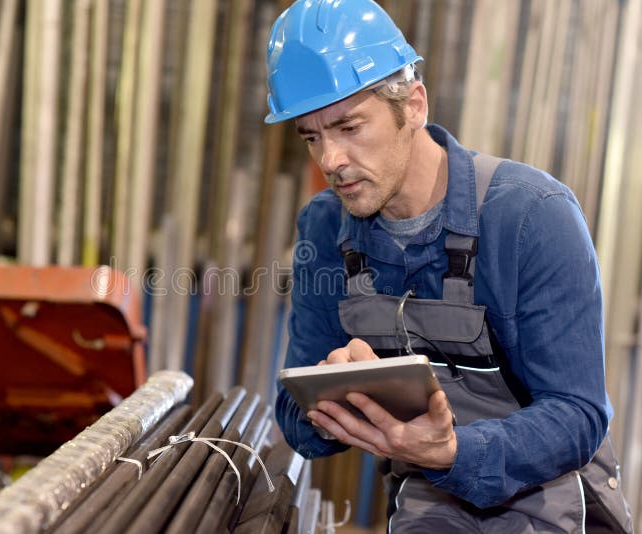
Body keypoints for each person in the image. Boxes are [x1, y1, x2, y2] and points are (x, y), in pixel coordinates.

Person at [267, 0, 633, 531]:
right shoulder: (326, 228)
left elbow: (579, 414)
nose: (330, 161)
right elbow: (293, 417)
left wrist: (453, 451)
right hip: (427, 495)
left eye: (348, 127)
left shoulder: (532, 216)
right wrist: (332, 400)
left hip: (556, 495)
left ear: (413, 105)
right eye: (312, 137)